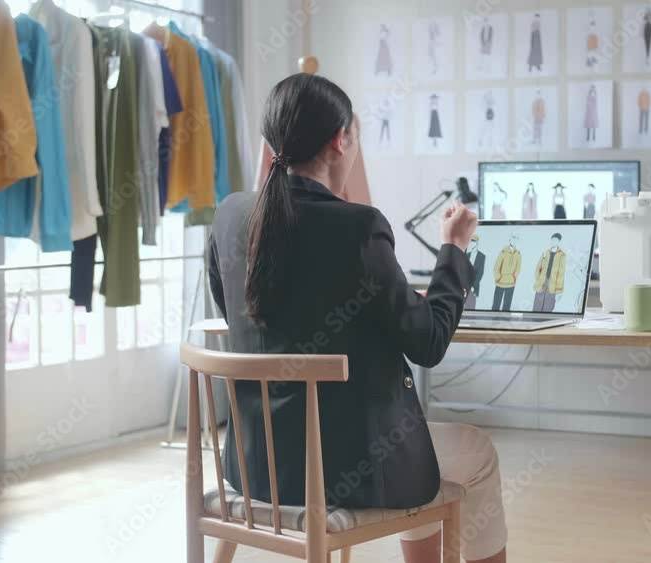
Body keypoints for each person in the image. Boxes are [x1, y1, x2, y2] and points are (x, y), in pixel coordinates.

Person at [208, 73, 508, 563]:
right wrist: (453, 249)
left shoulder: (230, 215)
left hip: (253, 467)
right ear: (340, 139)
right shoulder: (359, 227)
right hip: (350, 467)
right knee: (476, 453)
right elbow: (428, 342)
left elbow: (242, 313)